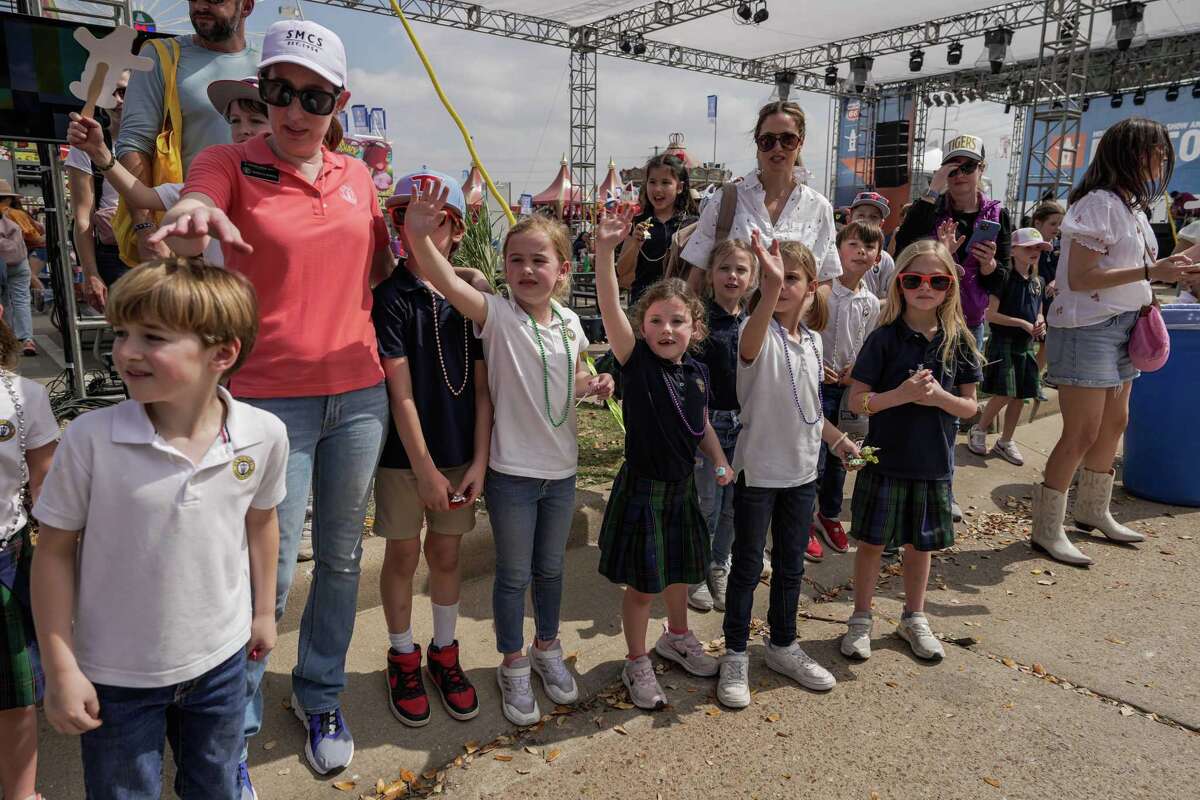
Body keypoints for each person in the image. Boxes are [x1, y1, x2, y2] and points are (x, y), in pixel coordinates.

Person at [150, 20, 391, 781]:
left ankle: (319, 693)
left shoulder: (357, 177)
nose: (293, 110)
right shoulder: (230, 160)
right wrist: (192, 216)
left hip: (358, 396)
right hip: (263, 406)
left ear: (338, 102)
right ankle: (237, 725)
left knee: (345, 561)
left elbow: (377, 270)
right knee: (268, 571)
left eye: (312, 97)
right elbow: (198, 205)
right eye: (278, 91)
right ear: (261, 93)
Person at [31, 259, 286, 799]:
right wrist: (61, 668)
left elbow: (261, 521)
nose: (125, 351)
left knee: (213, 785)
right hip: (115, 676)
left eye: (153, 337)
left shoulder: (263, 435)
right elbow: (52, 551)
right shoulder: (91, 440)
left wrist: (264, 612)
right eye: (122, 332)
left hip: (221, 662)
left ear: (222, 352)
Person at [401, 180, 614, 726]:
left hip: (562, 475)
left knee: (551, 571)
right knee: (513, 574)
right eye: (514, 260)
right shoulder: (495, 316)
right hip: (513, 475)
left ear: (562, 270)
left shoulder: (570, 323)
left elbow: (571, 377)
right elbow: (447, 283)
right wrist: (421, 237)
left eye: (538, 260)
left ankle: (547, 646)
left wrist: (595, 385)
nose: (526, 270)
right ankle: (512, 661)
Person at [1034, 118, 1199, 567]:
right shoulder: (1098, 204)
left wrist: (1170, 270)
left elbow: (1132, 268)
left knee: (1114, 423)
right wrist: (1153, 272)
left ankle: (1092, 510)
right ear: (1130, 153)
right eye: (1156, 151)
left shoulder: (1133, 206)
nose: (1163, 160)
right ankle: (1047, 528)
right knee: (1082, 430)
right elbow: (1080, 277)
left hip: (1125, 324)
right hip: (1087, 326)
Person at [592, 206, 729, 709]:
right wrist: (606, 251)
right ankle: (635, 660)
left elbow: (701, 424)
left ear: (695, 327)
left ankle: (676, 636)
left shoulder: (695, 371)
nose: (666, 329)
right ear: (642, 327)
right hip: (644, 487)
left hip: (682, 487)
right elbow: (610, 307)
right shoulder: (638, 361)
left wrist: (717, 458)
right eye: (655, 320)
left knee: (680, 572)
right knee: (643, 585)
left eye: (677, 321)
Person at [716, 235, 859, 710]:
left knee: (792, 567)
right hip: (758, 474)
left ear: (813, 287)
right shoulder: (753, 333)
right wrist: (771, 285)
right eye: (774, 279)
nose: (781, 286)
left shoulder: (815, 342)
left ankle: (782, 644)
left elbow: (811, 410)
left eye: (792, 278)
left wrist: (837, 441)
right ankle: (735, 652)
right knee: (748, 566)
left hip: (802, 476)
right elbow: (752, 348)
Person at [373, 171, 492, 728]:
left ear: (456, 230)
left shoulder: (472, 301)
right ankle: (402, 654)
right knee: (401, 555)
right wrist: (421, 468)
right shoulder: (389, 299)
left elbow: (486, 391)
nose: (420, 226)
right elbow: (400, 394)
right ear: (394, 225)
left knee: (446, 556)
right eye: (406, 215)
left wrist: (479, 462)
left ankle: (446, 654)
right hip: (405, 459)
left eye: (436, 217)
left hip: (460, 455)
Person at [842, 240, 982, 662]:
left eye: (938, 280)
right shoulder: (883, 339)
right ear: (899, 283)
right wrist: (898, 396)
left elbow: (972, 407)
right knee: (869, 543)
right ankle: (861, 617)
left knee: (920, 548)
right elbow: (856, 402)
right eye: (915, 279)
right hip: (885, 460)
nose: (926, 287)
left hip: (934, 464)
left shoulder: (959, 341)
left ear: (950, 287)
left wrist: (939, 398)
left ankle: (913, 616)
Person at [67, 77, 269, 270]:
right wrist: (100, 153)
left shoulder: (298, 180)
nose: (244, 129)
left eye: (256, 121)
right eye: (235, 121)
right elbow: (142, 195)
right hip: (230, 300)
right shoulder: (216, 175)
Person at [116, 0, 259, 263]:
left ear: (247, 6)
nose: (200, 6)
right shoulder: (160, 55)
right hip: (187, 238)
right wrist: (146, 228)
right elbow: (134, 143)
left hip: (255, 234)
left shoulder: (268, 66)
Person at [681, 101, 841, 290]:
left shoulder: (819, 208)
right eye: (768, 141)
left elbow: (825, 280)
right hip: (731, 318)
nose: (777, 148)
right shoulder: (726, 199)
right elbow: (697, 274)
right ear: (757, 143)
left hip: (796, 319)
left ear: (801, 143)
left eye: (788, 140)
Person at [0, 311, 58, 800]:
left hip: (6, 556)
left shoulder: (25, 396)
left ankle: (20, 793)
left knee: (14, 697)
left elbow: (47, 488)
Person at [688, 239, 756, 612]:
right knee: (706, 502)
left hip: (744, 426)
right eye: (725, 268)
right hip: (708, 427)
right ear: (711, 275)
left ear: (753, 278)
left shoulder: (753, 323)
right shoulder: (700, 324)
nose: (732, 276)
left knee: (733, 505)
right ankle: (695, 570)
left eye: (741, 269)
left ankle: (719, 563)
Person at [893, 134, 1012, 350]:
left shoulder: (998, 215)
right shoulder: (931, 207)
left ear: (981, 168)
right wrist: (934, 188)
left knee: (965, 384)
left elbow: (1001, 282)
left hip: (970, 321)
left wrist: (989, 265)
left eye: (968, 167)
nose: (960, 175)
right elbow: (902, 248)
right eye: (952, 169)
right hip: (926, 319)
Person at [813, 221, 883, 558]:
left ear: (878, 257)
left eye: (869, 247)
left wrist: (857, 369)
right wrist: (817, 365)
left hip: (848, 390)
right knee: (813, 456)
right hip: (816, 386)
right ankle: (803, 516)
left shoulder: (871, 301)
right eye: (853, 244)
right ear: (837, 249)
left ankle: (829, 514)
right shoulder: (822, 292)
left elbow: (867, 343)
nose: (861, 252)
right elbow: (806, 333)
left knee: (842, 456)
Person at [967, 229, 1050, 466]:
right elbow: (990, 315)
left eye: (1038, 248)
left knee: (1022, 394)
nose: (1034, 252)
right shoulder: (1004, 277)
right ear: (1013, 251)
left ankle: (1006, 440)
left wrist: (1040, 320)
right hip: (1005, 342)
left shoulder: (1038, 281)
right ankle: (980, 430)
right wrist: (1023, 323)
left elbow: (1039, 309)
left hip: (1025, 345)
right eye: (1028, 247)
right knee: (1004, 391)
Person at [65, 72, 131, 308]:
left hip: (165, 246)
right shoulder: (85, 147)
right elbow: (82, 218)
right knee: (132, 328)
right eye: (110, 93)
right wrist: (91, 273)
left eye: (123, 91)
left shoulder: (167, 140)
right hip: (115, 254)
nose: (118, 100)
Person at [616, 154, 696, 304]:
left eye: (666, 182)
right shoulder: (636, 223)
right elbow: (622, 271)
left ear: (679, 187)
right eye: (652, 182)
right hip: (641, 306)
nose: (657, 189)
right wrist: (634, 243)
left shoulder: (691, 226)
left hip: (679, 306)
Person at [1029, 201, 1065, 388]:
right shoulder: (1029, 246)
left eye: (1060, 224)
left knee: (1047, 345)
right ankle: (1027, 382)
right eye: (1053, 224)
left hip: (1051, 303)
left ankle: (1032, 381)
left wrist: (1056, 281)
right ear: (1037, 223)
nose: (1057, 228)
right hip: (1034, 302)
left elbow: (1065, 270)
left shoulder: (1058, 245)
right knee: (1034, 346)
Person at [0, 183, 35, 357]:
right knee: (21, 300)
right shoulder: (18, 214)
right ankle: (27, 339)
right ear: (10, 197)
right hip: (19, 263)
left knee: (3, 303)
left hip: (1, 264)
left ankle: (7, 341)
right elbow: (34, 235)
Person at [849, 192, 897, 299]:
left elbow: (891, 299)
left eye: (873, 217)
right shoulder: (837, 252)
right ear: (850, 218)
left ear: (881, 224)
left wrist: (869, 307)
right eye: (861, 215)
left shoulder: (885, 260)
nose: (866, 220)